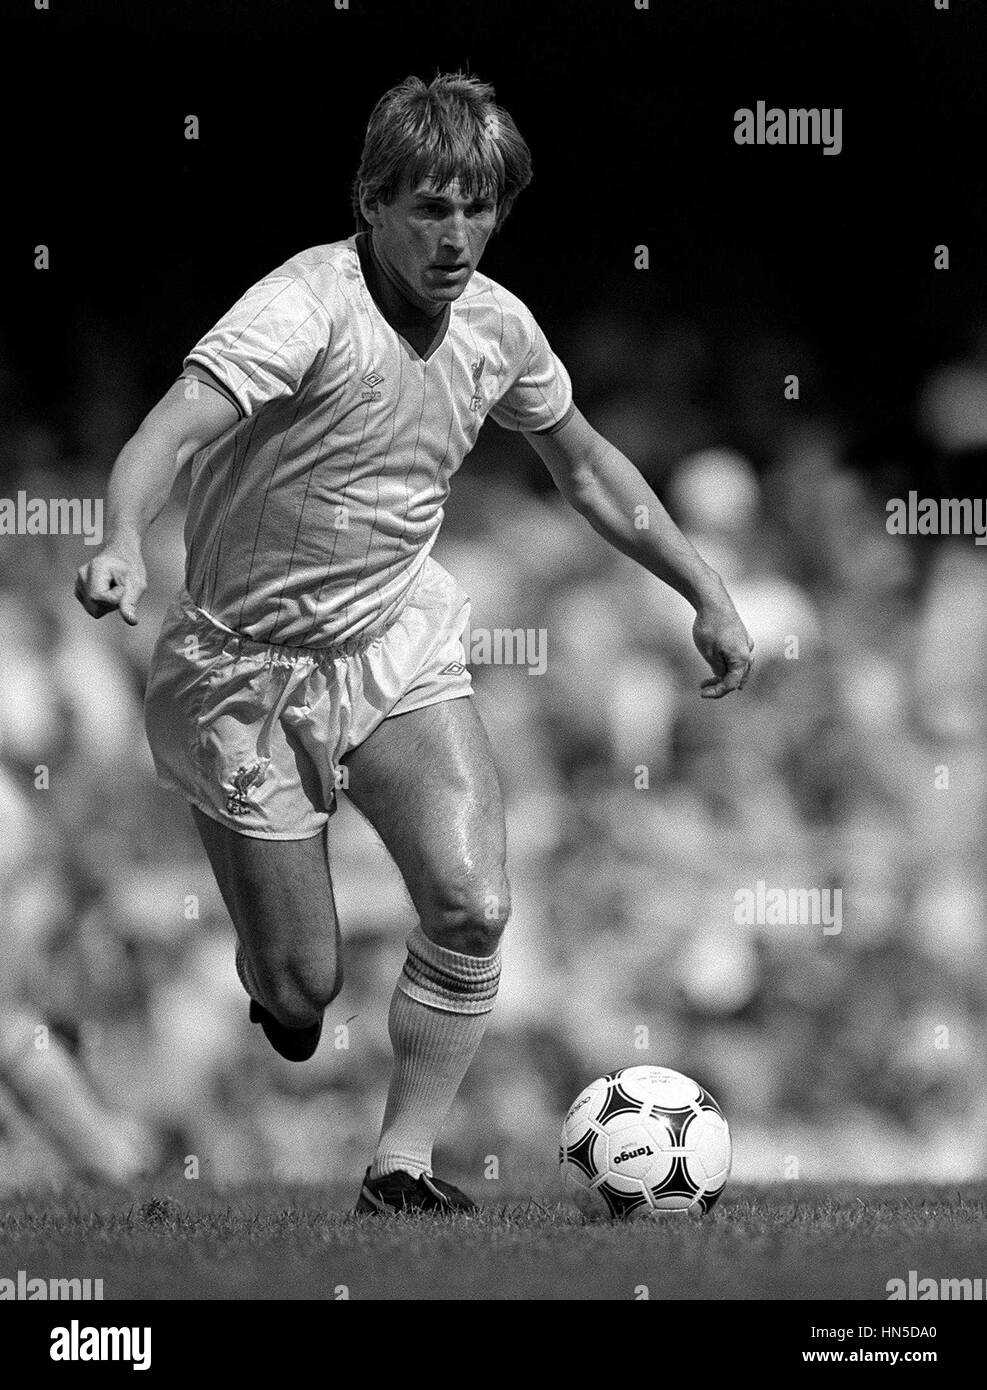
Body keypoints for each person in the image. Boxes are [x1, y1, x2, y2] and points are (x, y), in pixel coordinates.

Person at [75, 72, 753, 1215]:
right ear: (372, 203)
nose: (456, 236)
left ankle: (399, 1169)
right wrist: (117, 540)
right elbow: (167, 431)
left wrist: (704, 586)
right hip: (241, 667)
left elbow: (584, 465)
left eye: (478, 208)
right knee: (304, 989)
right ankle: (279, 987)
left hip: (393, 640)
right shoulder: (302, 308)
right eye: (430, 208)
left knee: (475, 903)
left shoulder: (498, 326)